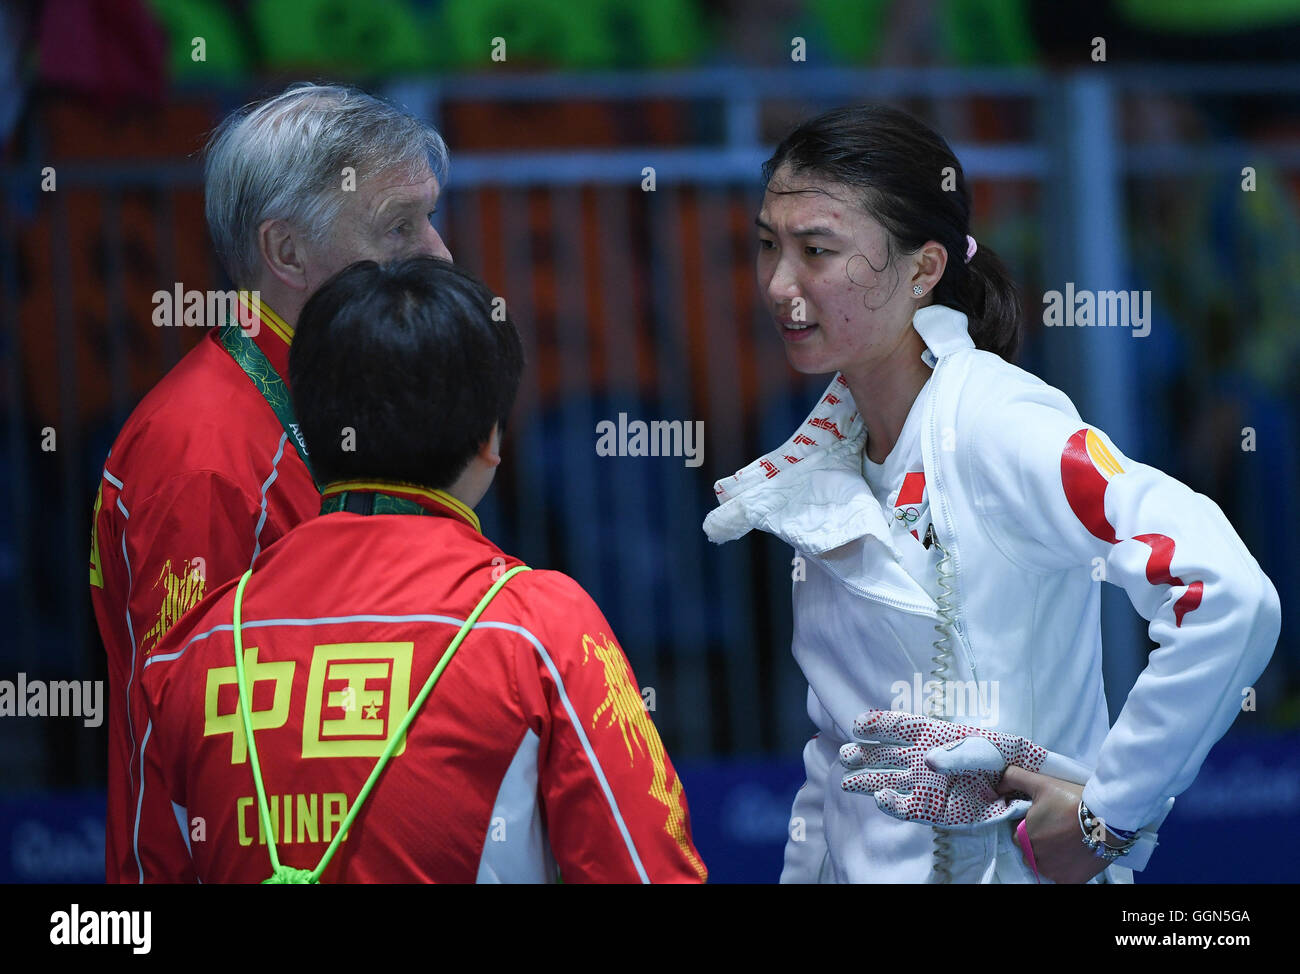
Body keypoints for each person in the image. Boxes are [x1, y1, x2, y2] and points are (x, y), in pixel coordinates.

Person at [703, 105, 1280, 883]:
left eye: (817, 250)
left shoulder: (999, 422)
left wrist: (1108, 814)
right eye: (769, 245)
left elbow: (1228, 594)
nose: (780, 284)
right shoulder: (818, 461)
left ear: (923, 269)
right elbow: (837, 759)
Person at [138, 256, 708, 883]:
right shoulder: (537, 626)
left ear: (310, 429)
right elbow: (648, 872)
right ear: (491, 439)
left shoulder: (198, 646)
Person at [89, 83, 453, 883]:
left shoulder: (336, 398)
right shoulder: (204, 453)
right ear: (285, 253)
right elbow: (186, 735)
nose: (438, 253)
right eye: (398, 226)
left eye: (430, 217)